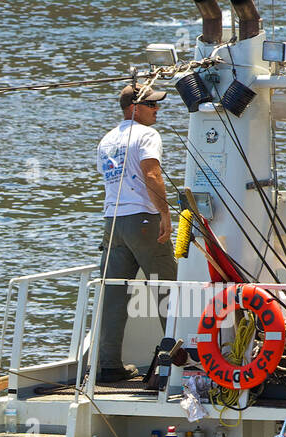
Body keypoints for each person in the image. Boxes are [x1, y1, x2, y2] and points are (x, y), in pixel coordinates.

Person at [95, 83, 178, 383]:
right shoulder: (146, 135)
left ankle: (108, 365)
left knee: (114, 295)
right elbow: (151, 174)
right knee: (168, 290)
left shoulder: (107, 140)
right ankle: (176, 365)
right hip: (142, 220)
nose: (157, 110)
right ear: (134, 108)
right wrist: (165, 213)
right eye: (152, 105)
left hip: (112, 222)